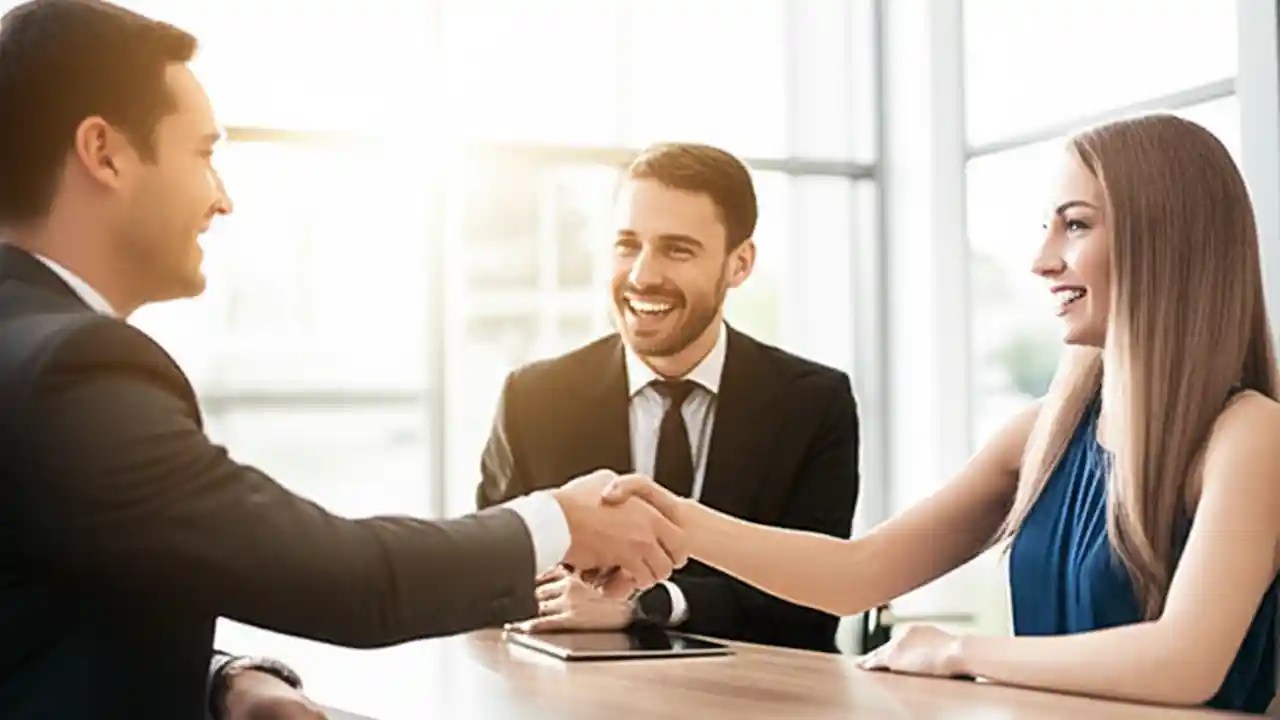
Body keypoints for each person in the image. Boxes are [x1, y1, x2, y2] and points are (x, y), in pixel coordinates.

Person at [0, 2, 684, 718]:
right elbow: (346, 578)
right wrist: (561, 523)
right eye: (203, 153)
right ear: (103, 152)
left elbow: (55, 605)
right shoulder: (70, 370)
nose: (222, 198)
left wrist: (225, 677)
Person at [604, 114, 1280, 714]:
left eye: (1075, 225)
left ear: (1165, 240)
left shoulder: (1247, 436)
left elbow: (1186, 663)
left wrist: (961, 651)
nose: (1044, 259)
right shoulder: (1044, 433)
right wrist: (672, 518)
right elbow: (857, 574)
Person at [480, 142, 859, 652]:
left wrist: (644, 605)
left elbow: (812, 606)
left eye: (676, 249)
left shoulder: (814, 404)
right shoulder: (532, 399)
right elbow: (494, 579)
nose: (641, 275)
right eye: (627, 244)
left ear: (739, 264)